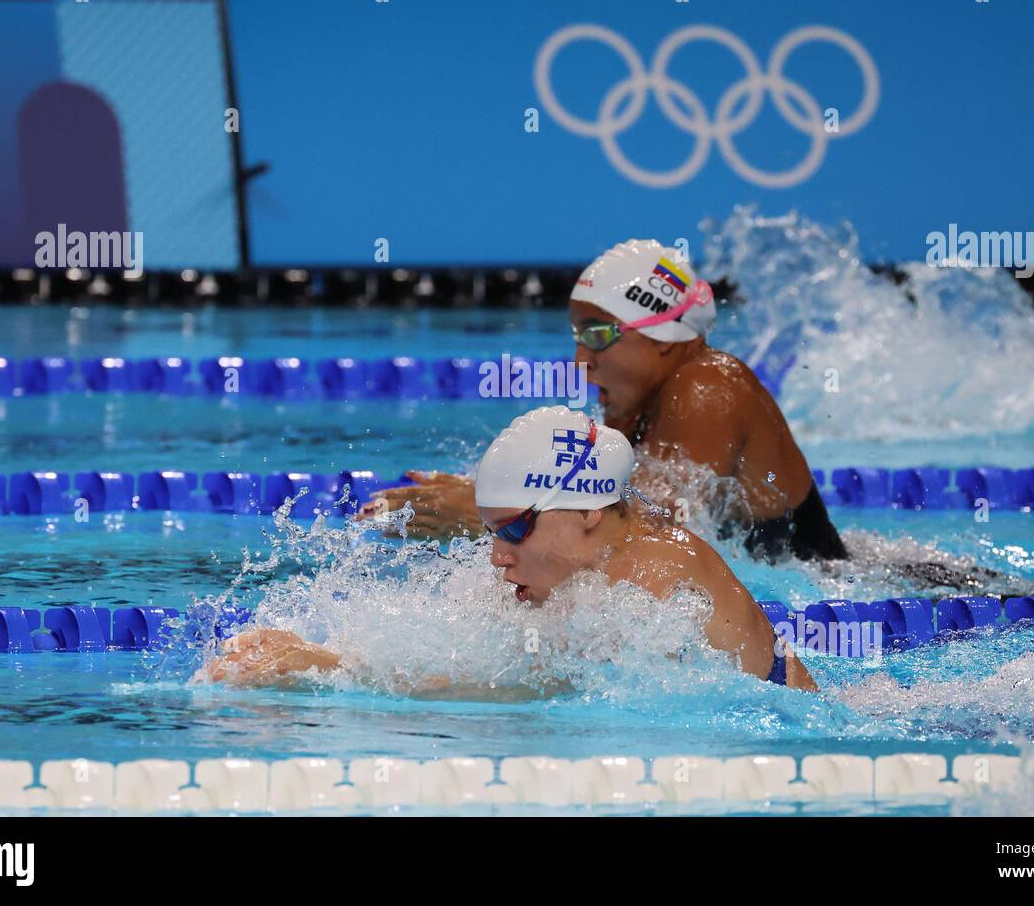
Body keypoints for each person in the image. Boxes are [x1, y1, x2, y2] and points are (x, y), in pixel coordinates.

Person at [201, 407, 818, 694]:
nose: (497, 555)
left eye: (514, 529)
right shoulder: (588, 558)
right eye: (490, 531)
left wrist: (327, 666)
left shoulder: (657, 574)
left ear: (587, 513)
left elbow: (528, 687)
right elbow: (465, 650)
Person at [369, 239, 846, 562]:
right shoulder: (642, 405)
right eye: (577, 336)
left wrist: (491, 518)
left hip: (826, 589)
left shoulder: (706, 387)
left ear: (661, 334)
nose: (581, 360)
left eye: (597, 335)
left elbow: (666, 530)